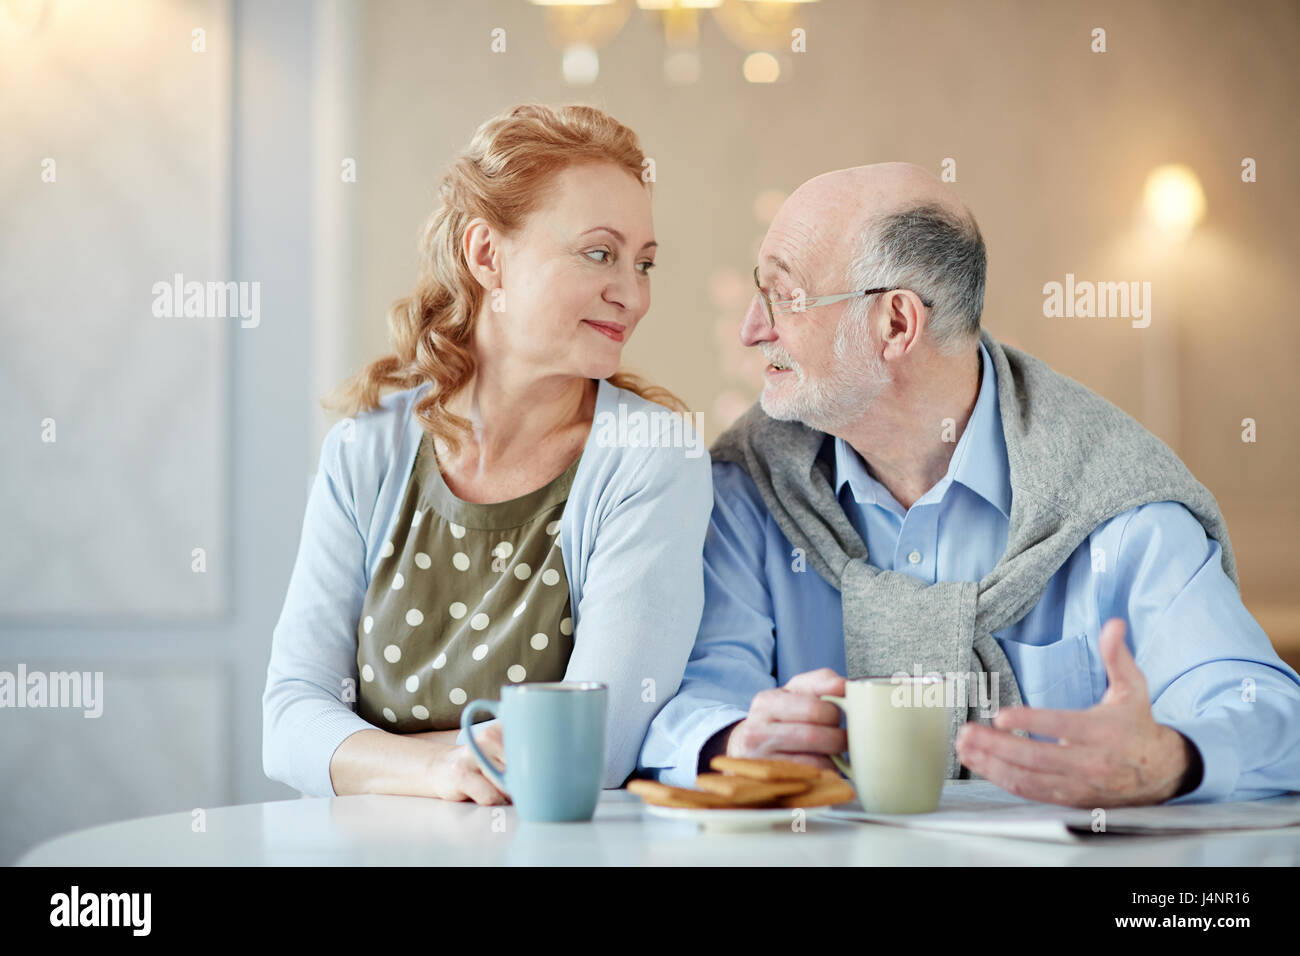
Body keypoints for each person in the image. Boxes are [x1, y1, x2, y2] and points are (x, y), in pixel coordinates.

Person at [638, 162, 1300, 807]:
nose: (754, 329)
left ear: (895, 323)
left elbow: (1269, 714)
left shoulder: (1117, 497)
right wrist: (733, 740)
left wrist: (1172, 759)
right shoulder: (748, 486)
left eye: (783, 296)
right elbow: (687, 702)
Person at [263, 104, 711, 804]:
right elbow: (288, 721)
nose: (632, 293)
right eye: (599, 253)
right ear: (486, 256)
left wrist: (363, 753)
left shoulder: (650, 457)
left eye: (644, 263)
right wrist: (441, 772)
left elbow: (594, 749)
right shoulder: (367, 449)